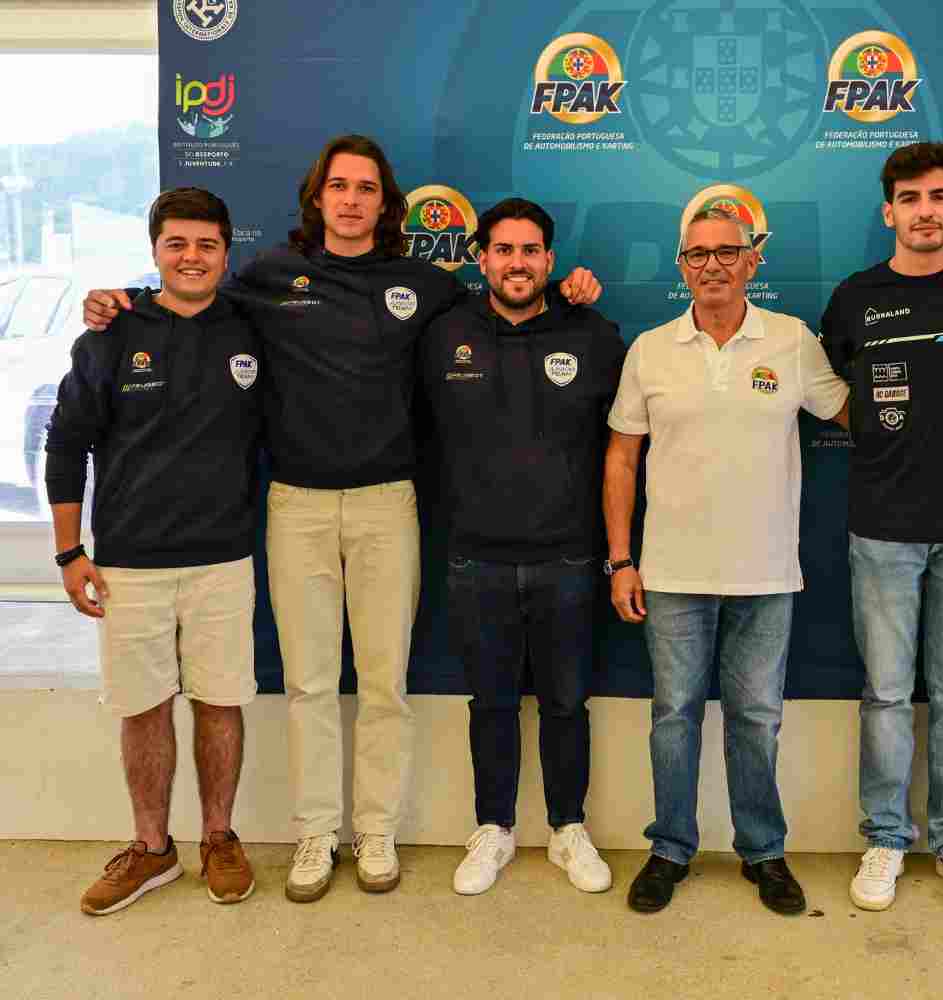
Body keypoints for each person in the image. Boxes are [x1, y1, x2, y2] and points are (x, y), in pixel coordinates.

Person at [82, 134, 601, 902]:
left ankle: (377, 830)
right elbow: (189, 298)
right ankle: (317, 835)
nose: (352, 200)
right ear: (317, 198)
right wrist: (116, 299)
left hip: (391, 504)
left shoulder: (422, 283)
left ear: (384, 203)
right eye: (338, 187)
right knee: (310, 683)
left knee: (385, 682)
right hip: (296, 506)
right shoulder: (266, 277)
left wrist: (568, 293)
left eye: (366, 188)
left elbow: (505, 307)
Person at [603, 207, 849, 915]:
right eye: (697, 254)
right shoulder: (650, 349)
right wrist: (621, 559)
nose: (712, 265)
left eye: (727, 252)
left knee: (755, 718)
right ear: (681, 265)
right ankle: (670, 848)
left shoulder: (793, 341)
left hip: (766, 574)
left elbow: (849, 414)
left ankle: (763, 851)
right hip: (672, 574)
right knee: (674, 714)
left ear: (752, 262)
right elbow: (622, 455)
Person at [47, 187, 260, 914]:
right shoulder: (111, 333)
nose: (192, 257)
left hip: (225, 557)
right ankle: (151, 848)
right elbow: (66, 443)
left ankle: (220, 837)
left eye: (206, 244)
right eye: (177, 244)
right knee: (143, 708)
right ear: (155, 252)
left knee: (220, 704)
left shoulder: (251, 327)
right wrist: (68, 553)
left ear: (227, 252)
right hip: (130, 562)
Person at [819, 141, 943, 913]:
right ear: (888, 211)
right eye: (911, 198)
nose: (925, 211)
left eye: (939, 197)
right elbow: (825, 379)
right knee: (888, 693)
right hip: (882, 527)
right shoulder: (855, 298)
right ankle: (886, 838)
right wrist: (866, 424)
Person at [423, 198, 623, 896]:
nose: (517, 262)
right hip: (475, 556)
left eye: (531, 250)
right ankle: (494, 829)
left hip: (568, 556)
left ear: (550, 259)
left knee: (568, 702)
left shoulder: (593, 334)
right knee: (492, 703)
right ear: (481, 259)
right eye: (503, 250)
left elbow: (627, 448)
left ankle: (569, 828)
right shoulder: (442, 332)